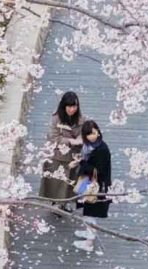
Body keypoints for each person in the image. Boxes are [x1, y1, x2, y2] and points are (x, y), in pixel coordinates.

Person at [72, 120, 112, 252]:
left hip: (96, 185)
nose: (92, 136)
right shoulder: (90, 146)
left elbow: (97, 170)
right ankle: (88, 232)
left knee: (90, 213)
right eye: (89, 134)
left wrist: (82, 163)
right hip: (88, 181)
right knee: (87, 210)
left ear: (98, 132)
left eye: (94, 133)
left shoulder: (101, 149)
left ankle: (89, 243)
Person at [39, 91, 82, 209]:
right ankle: (57, 203)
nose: (72, 109)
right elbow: (53, 137)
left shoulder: (81, 119)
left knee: (70, 182)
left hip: (73, 156)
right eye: (69, 106)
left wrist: (81, 138)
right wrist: (71, 141)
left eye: (74, 106)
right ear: (64, 106)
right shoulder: (56, 119)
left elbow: (84, 132)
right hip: (57, 155)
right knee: (56, 182)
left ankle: (65, 203)